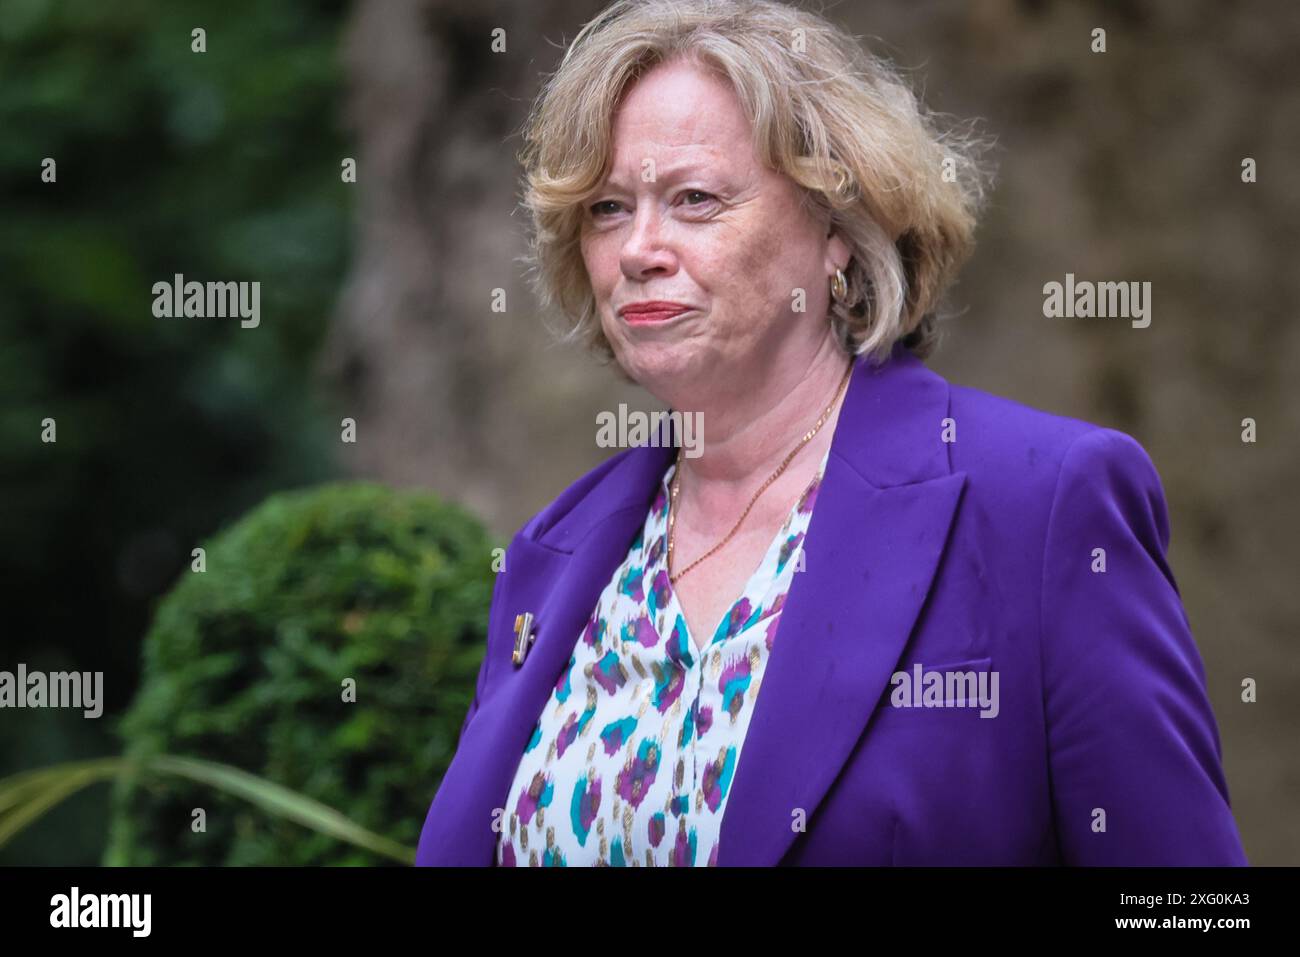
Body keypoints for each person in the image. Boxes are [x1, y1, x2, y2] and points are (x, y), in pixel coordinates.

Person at [416, 0, 1247, 866]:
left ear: (837, 232)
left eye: (694, 199)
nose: (638, 249)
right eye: (607, 209)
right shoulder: (552, 553)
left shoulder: (1043, 504)